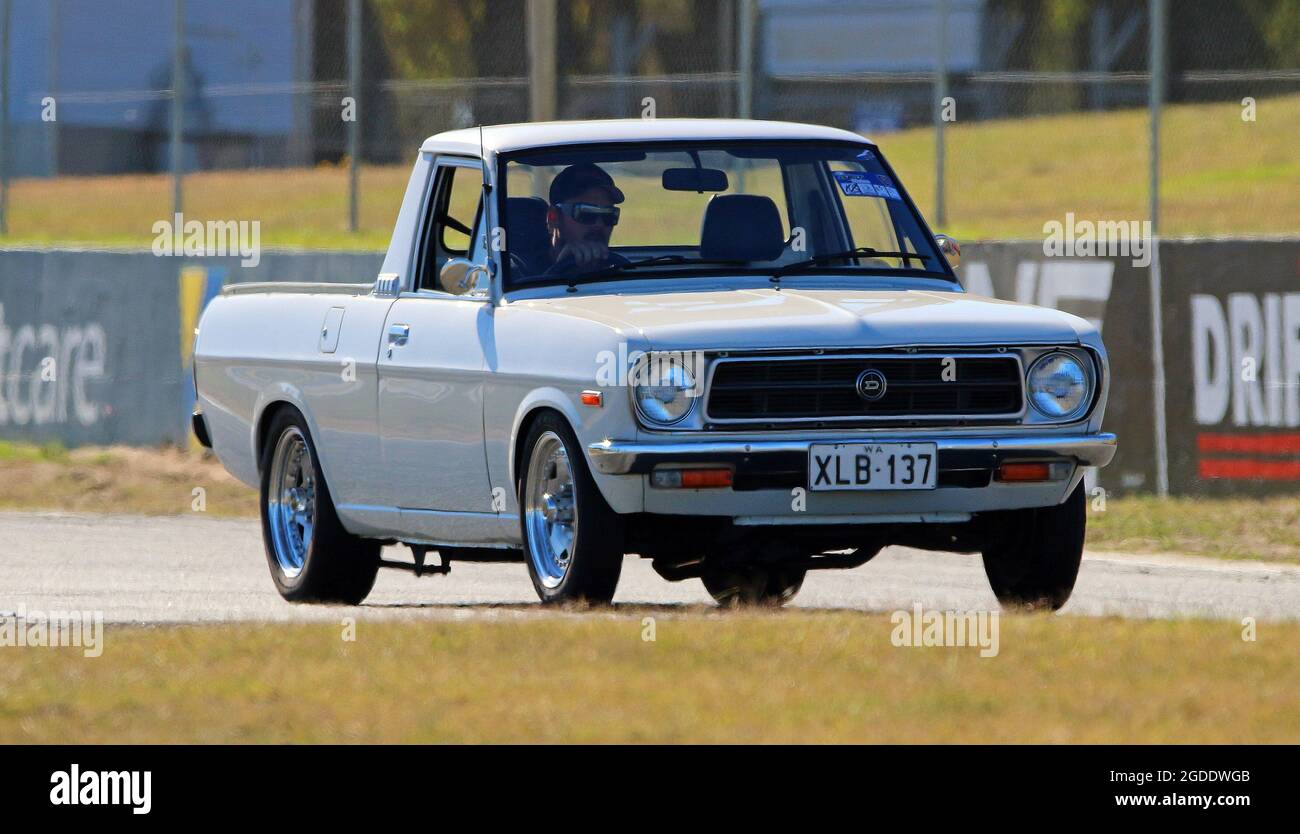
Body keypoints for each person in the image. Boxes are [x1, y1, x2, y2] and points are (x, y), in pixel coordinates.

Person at [542, 163, 628, 274]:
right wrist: (560, 270)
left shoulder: (619, 274)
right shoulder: (521, 273)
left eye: (608, 215)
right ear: (553, 217)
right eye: (586, 214)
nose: (599, 224)